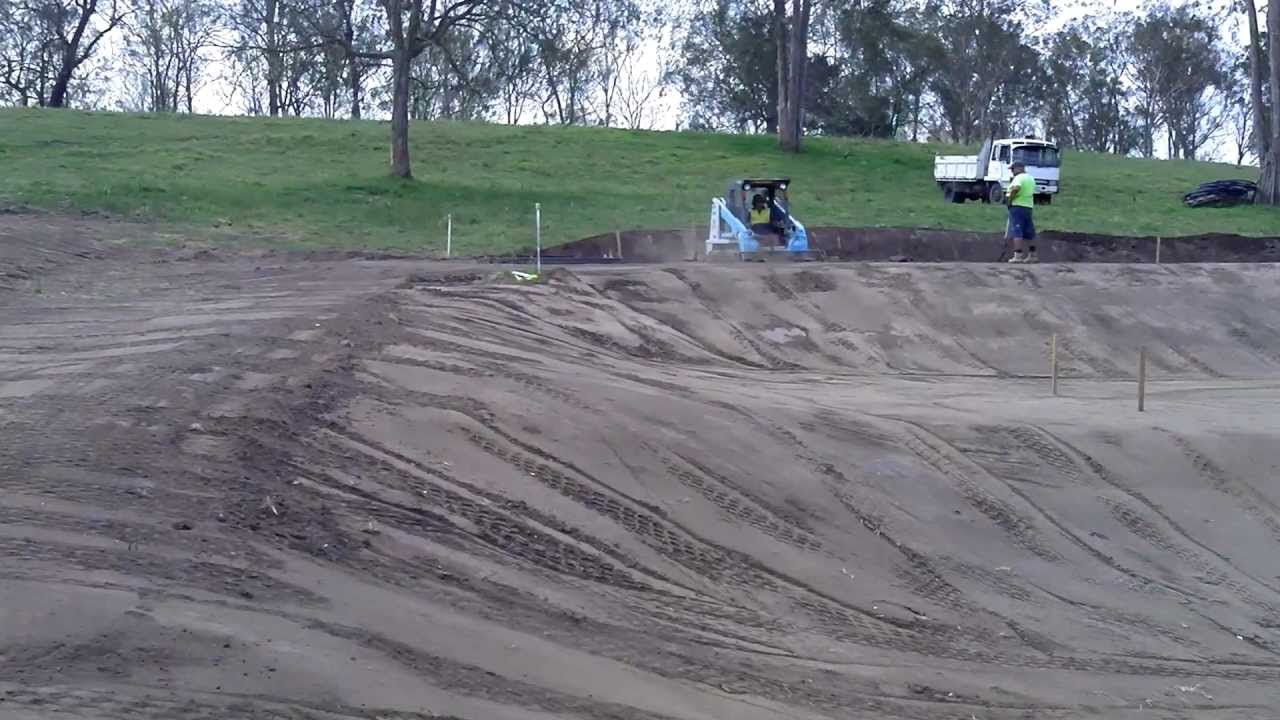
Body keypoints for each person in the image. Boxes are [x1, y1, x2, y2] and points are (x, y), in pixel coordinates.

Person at [1005, 161, 1038, 263]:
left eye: (1013, 169)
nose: (1012, 172)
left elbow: (1016, 188)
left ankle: (1018, 255)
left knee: (1017, 231)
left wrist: (1010, 200)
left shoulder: (1019, 178)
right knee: (1029, 232)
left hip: (1017, 206)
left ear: (1019, 168)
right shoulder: (1031, 178)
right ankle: (1033, 255)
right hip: (1028, 206)